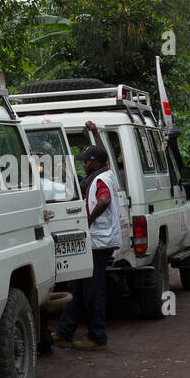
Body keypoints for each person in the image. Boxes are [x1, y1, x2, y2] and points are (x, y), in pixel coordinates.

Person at [54, 144, 122, 352]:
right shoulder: (101, 175)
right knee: (75, 287)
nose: (84, 164)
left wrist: (88, 220)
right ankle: (64, 334)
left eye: (86, 160)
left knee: (93, 291)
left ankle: (97, 338)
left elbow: (103, 200)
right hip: (93, 242)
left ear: (95, 162)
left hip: (98, 242)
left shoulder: (101, 179)